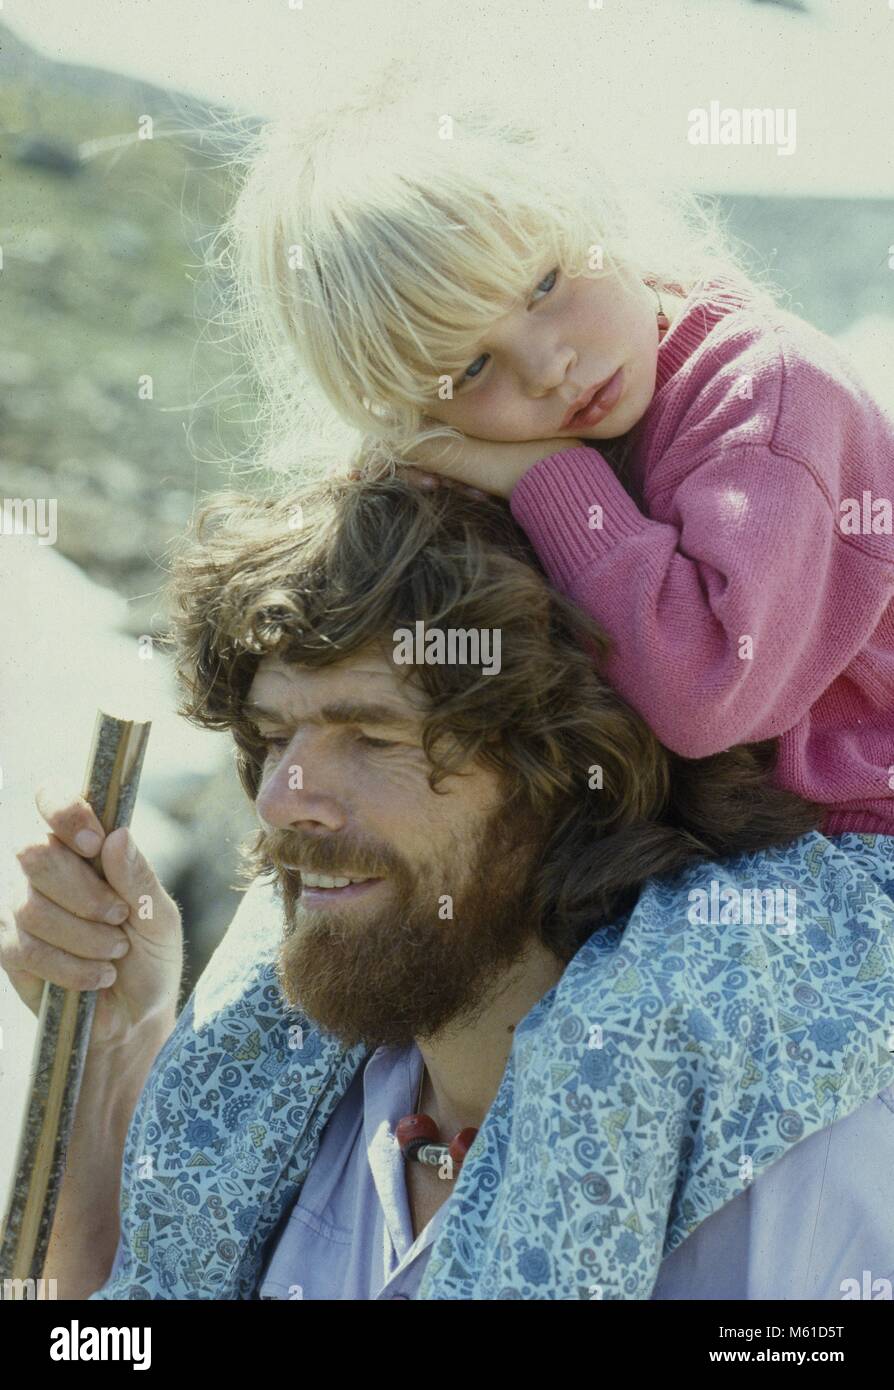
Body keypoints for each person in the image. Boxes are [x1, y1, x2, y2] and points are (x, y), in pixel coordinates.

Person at [6, 478, 891, 1299]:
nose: (282, 799)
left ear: (564, 775)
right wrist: (117, 1049)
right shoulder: (278, 1105)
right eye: (275, 738)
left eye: (373, 738)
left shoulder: (794, 1177)